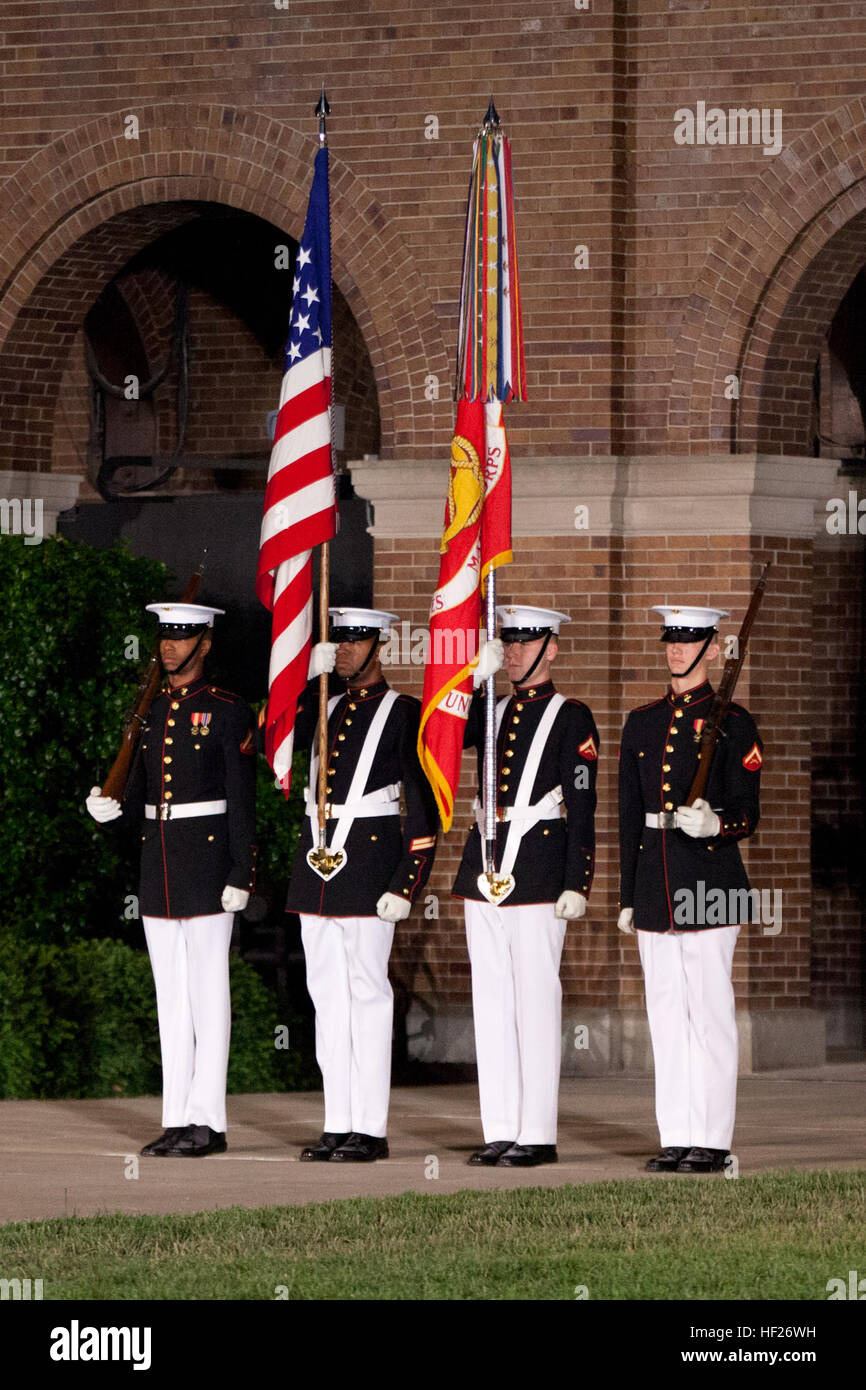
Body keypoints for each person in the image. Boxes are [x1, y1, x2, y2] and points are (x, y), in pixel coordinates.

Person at [86, 602, 256, 1158]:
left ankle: (209, 1120)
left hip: (208, 866)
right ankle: (176, 1116)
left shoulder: (228, 709)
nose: (169, 646)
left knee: (209, 995)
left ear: (205, 644)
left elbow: (241, 800)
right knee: (171, 1000)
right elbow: (142, 790)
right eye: (165, 636)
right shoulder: (153, 709)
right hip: (158, 865)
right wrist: (110, 804)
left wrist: (241, 869)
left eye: (182, 637)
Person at [286, 607, 439, 1163]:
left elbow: (423, 811)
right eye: (339, 641)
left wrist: (408, 881)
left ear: (379, 646)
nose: (345, 650)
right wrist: (307, 681)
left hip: (372, 869)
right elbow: (267, 739)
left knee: (367, 997)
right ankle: (337, 1121)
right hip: (318, 867)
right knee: (327, 999)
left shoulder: (404, 714)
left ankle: (369, 1127)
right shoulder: (322, 706)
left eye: (355, 642)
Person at [617, 604, 763, 1175]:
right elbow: (631, 817)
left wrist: (717, 824)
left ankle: (712, 1139)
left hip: (711, 883)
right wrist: (628, 896)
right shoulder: (643, 722)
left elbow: (750, 812)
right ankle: (676, 1136)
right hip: (656, 881)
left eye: (689, 641)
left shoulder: (734, 721)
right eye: (671, 640)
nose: (677, 650)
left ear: (711, 648)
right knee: (667, 1016)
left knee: (709, 1015)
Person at [453, 605, 599, 1168]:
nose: (513, 653)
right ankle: (500, 1127)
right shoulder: (491, 709)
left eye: (524, 644)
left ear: (550, 649)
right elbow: (444, 736)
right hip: (484, 860)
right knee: (491, 1002)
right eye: (507, 644)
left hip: (538, 867)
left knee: (535, 1001)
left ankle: (536, 1132)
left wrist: (578, 880)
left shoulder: (571, 717)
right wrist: (473, 679)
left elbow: (582, 805)